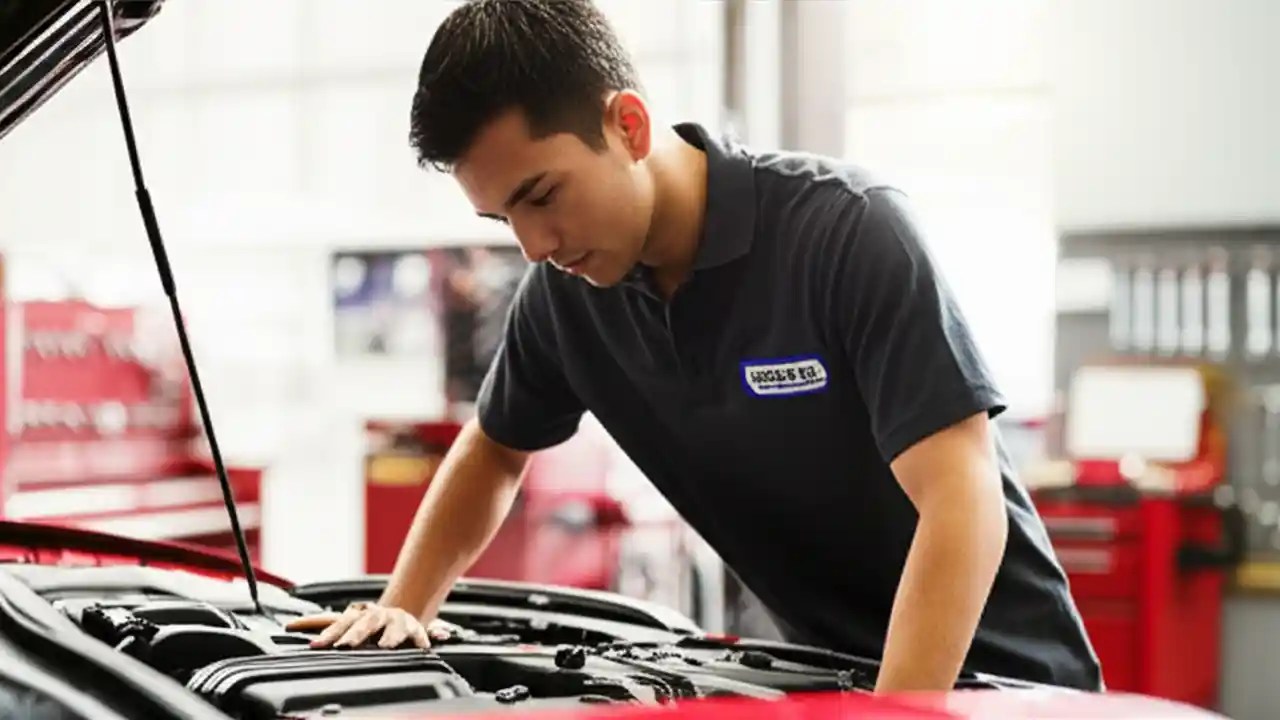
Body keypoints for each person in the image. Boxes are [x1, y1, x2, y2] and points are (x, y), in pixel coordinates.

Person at [288, 0, 1102, 693]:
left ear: (628, 125)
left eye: (542, 196)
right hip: (830, 680)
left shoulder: (847, 234)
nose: (534, 245)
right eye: (503, 220)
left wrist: (891, 717)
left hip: (1007, 688)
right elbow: (494, 450)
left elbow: (962, 506)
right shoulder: (568, 300)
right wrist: (406, 603)